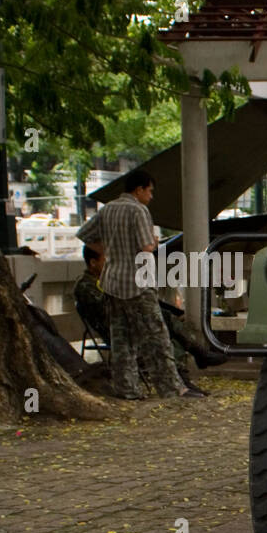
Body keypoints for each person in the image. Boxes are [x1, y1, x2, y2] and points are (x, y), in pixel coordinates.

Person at [75, 169, 198, 400]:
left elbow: (85, 235)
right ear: (139, 189)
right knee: (157, 335)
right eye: (149, 191)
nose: (151, 196)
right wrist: (152, 241)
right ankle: (172, 388)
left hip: (112, 279)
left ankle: (126, 388)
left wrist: (109, 252)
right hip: (138, 281)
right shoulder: (139, 211)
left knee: (122, 337)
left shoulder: (108, 209)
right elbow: (146, 246)